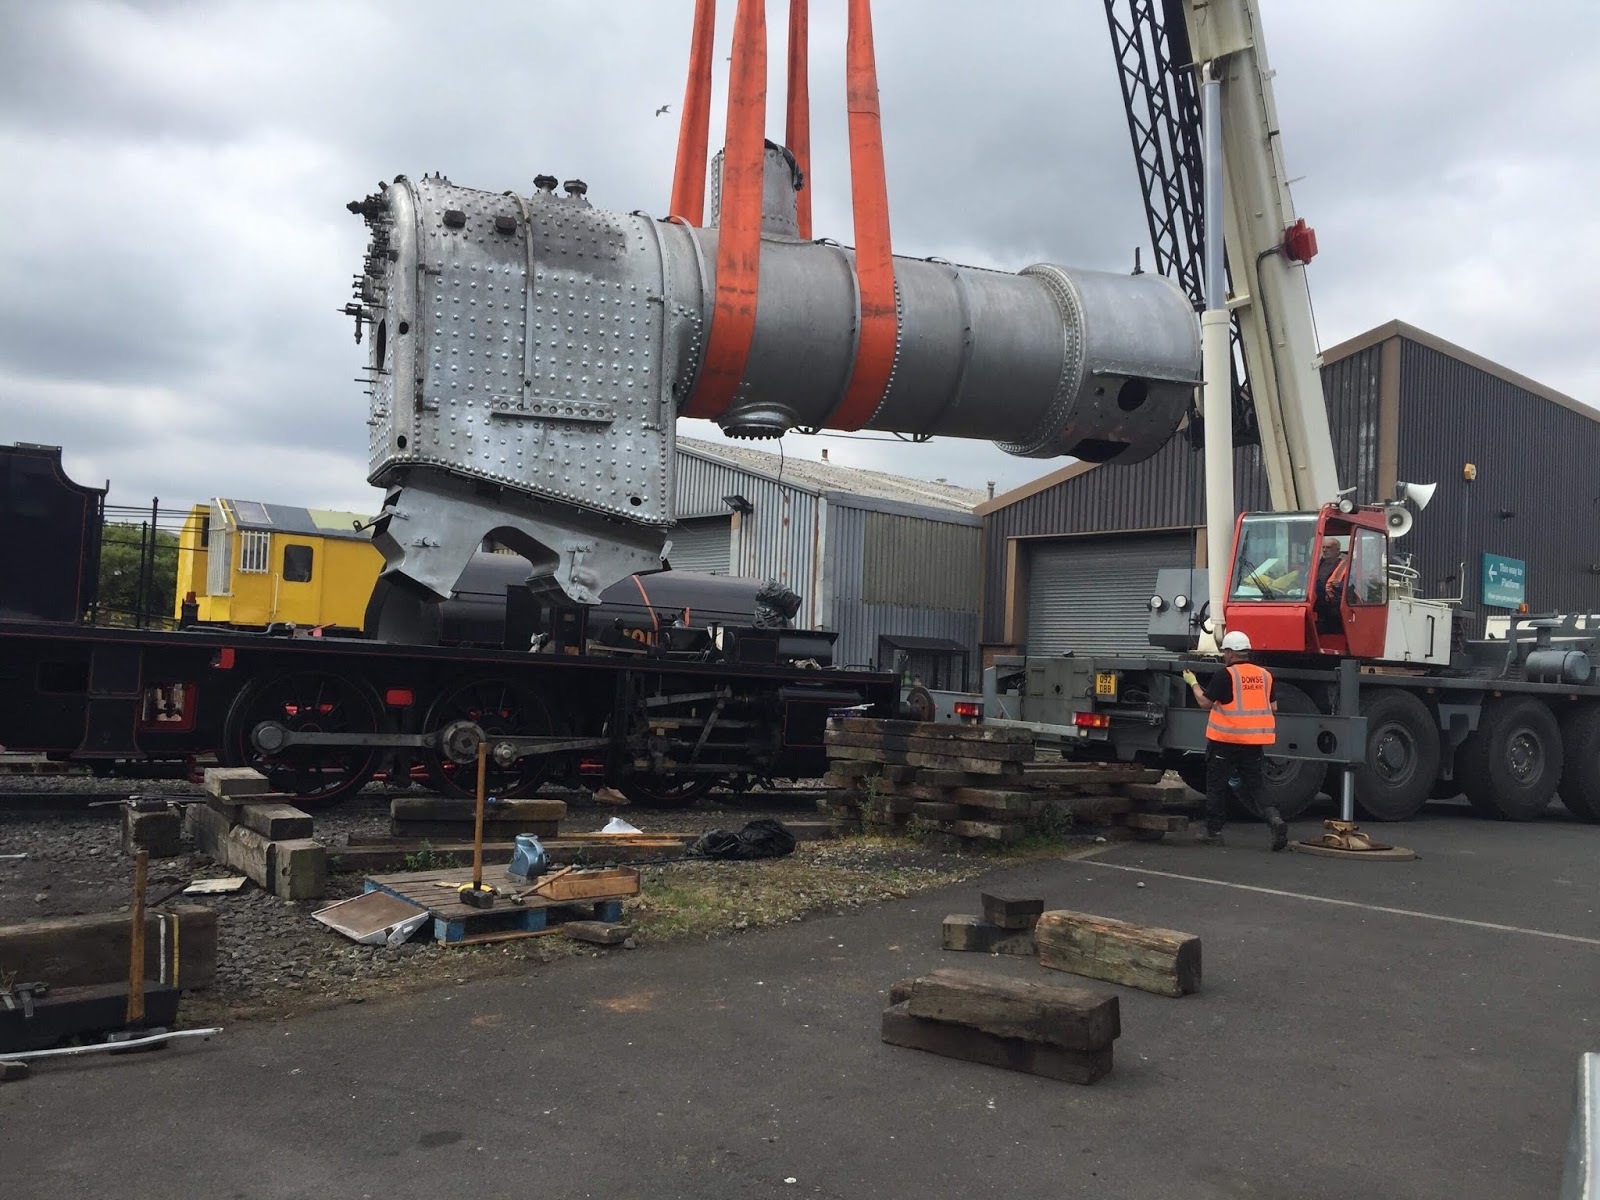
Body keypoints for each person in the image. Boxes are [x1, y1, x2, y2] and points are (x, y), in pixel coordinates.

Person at [1181, 630, 1287, 850]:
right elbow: (1274, 707)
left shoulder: (1225, 675)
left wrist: (1192, 682)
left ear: (1230, 652)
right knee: (1256, 785)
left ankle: (1214, 832)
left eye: (1225, 652)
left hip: (1225, 740)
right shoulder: (1264, 675)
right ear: (1246, 651)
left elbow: (1205, 703)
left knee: (1216, 785)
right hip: (1253, 741)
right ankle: (1274, 819)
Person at [1313, 538, 1347, 634]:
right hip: (1317, 603)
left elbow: (1353, 585)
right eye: (1323, 547)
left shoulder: (1346, 566)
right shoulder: (1317, 565)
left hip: (1335, 606)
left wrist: (1341, 585)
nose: (1324, 550)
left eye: (1328, 547)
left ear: (1337, 550)